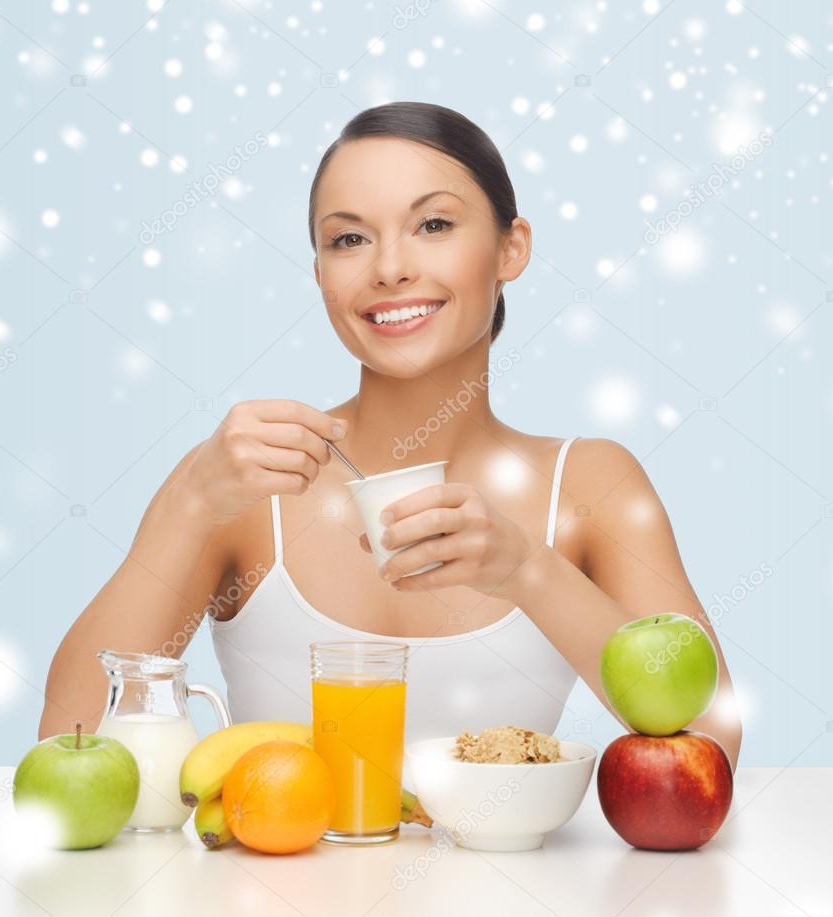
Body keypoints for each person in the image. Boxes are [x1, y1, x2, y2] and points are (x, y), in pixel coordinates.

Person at [39, 102, 742, 771]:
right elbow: (68, 741)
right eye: (348, 239)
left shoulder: (591, 485)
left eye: (433, 225)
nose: (388, 268)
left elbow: (710, 748)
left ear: (510, 247)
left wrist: (528, 570)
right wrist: (187, 503)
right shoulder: (248, 483)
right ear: (321, 275)